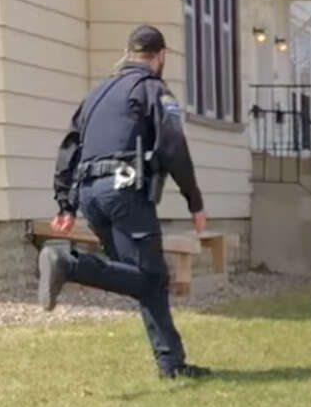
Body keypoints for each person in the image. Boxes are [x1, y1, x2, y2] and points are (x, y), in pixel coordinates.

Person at [40, 25, 212, 379]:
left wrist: (65, 205)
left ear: (128, 52)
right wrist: (195, 201)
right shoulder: (153, 90)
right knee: (151, 278)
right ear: (160, 57)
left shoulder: (97, 93)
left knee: (142, 278)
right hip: (123, 192)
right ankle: (67, 264)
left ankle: (172, 366)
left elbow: (69, 147)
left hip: (90, 195)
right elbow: (173, 146)